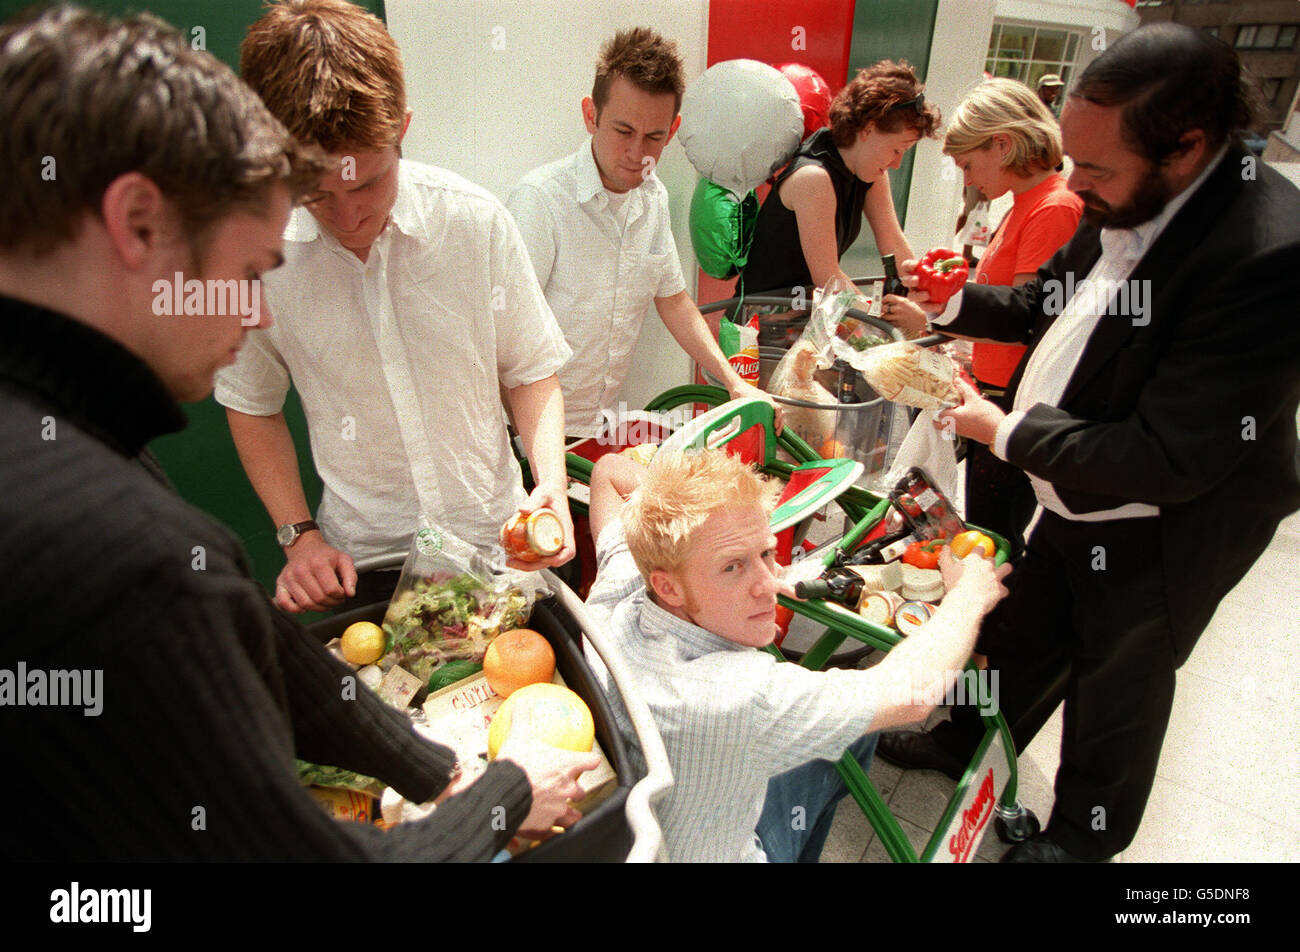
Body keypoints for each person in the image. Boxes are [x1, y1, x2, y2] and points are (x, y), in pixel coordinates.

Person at [0, 3, 598, 861]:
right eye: (245, 273)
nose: (248, 317)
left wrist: (437, 773)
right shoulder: (121, 556)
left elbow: (264, 641)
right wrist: (504, 797)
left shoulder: (81, 443)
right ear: (136, 225)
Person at [881, 24, 1300, 862]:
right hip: (1070, 481)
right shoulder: (1117, 191)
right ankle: (962, 738)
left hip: (1169, 521)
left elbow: (1167, 456)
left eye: (1097, 170)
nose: (1077, 185)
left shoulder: (1268, 256)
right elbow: (1053, 299)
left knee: (1119, 681)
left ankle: (1078, 841)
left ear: (1186, 149)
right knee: (1029, 626)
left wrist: (1003, 429)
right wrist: (954, 308)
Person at [216, 0, 575, 614]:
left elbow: (530, 371)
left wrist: (552, 485)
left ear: (402, 130)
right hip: (364, 566)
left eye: (367, 184)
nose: (349, 215)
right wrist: (298, 537)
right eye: (317, 194)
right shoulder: (260, 256)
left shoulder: (475, 223)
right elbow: (252, 404)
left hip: (499, 546)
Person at [583, 449, 1010, 862]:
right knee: (859, 735)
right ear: (669, 588)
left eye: (766, 554)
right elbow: (910, 695)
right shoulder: (739, 694)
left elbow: (608, 470)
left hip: (647, 820)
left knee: (846, 732)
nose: (768, 584)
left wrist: (684, 519)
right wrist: (968, 595)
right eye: (733, 567)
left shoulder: (623, 584)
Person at [507, 27, 775, 440]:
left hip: (600, 426)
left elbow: (673, 301)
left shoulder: (652, 197)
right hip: (531, 428)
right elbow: (507, 339)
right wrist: (533, 451)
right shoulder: (540, 200)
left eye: (653, 136)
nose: (637, 153)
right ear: (590, 115)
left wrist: (733, 382)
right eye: (622, 131)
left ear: (673, 129)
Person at [885, 78, 1083, 557]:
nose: (969, 180)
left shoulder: (1053, 208)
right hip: (997, 392)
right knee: (982, 528)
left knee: (993, 538)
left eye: (969, 165)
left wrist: (941, 310)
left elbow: (1023, 315)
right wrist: (938, 295)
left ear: (1003, 144)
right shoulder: (1024, 205)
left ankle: (986, 623)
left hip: (1012, 401)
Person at [740, 60, 940, 299]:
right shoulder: (813, 178)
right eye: (897, 150)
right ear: (868, 129)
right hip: (758, 321)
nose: (897, 163)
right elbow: (827, 278)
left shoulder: (872, 173)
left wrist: (923, 297)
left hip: (805, 313)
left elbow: (894, 244)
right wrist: (875, 320)